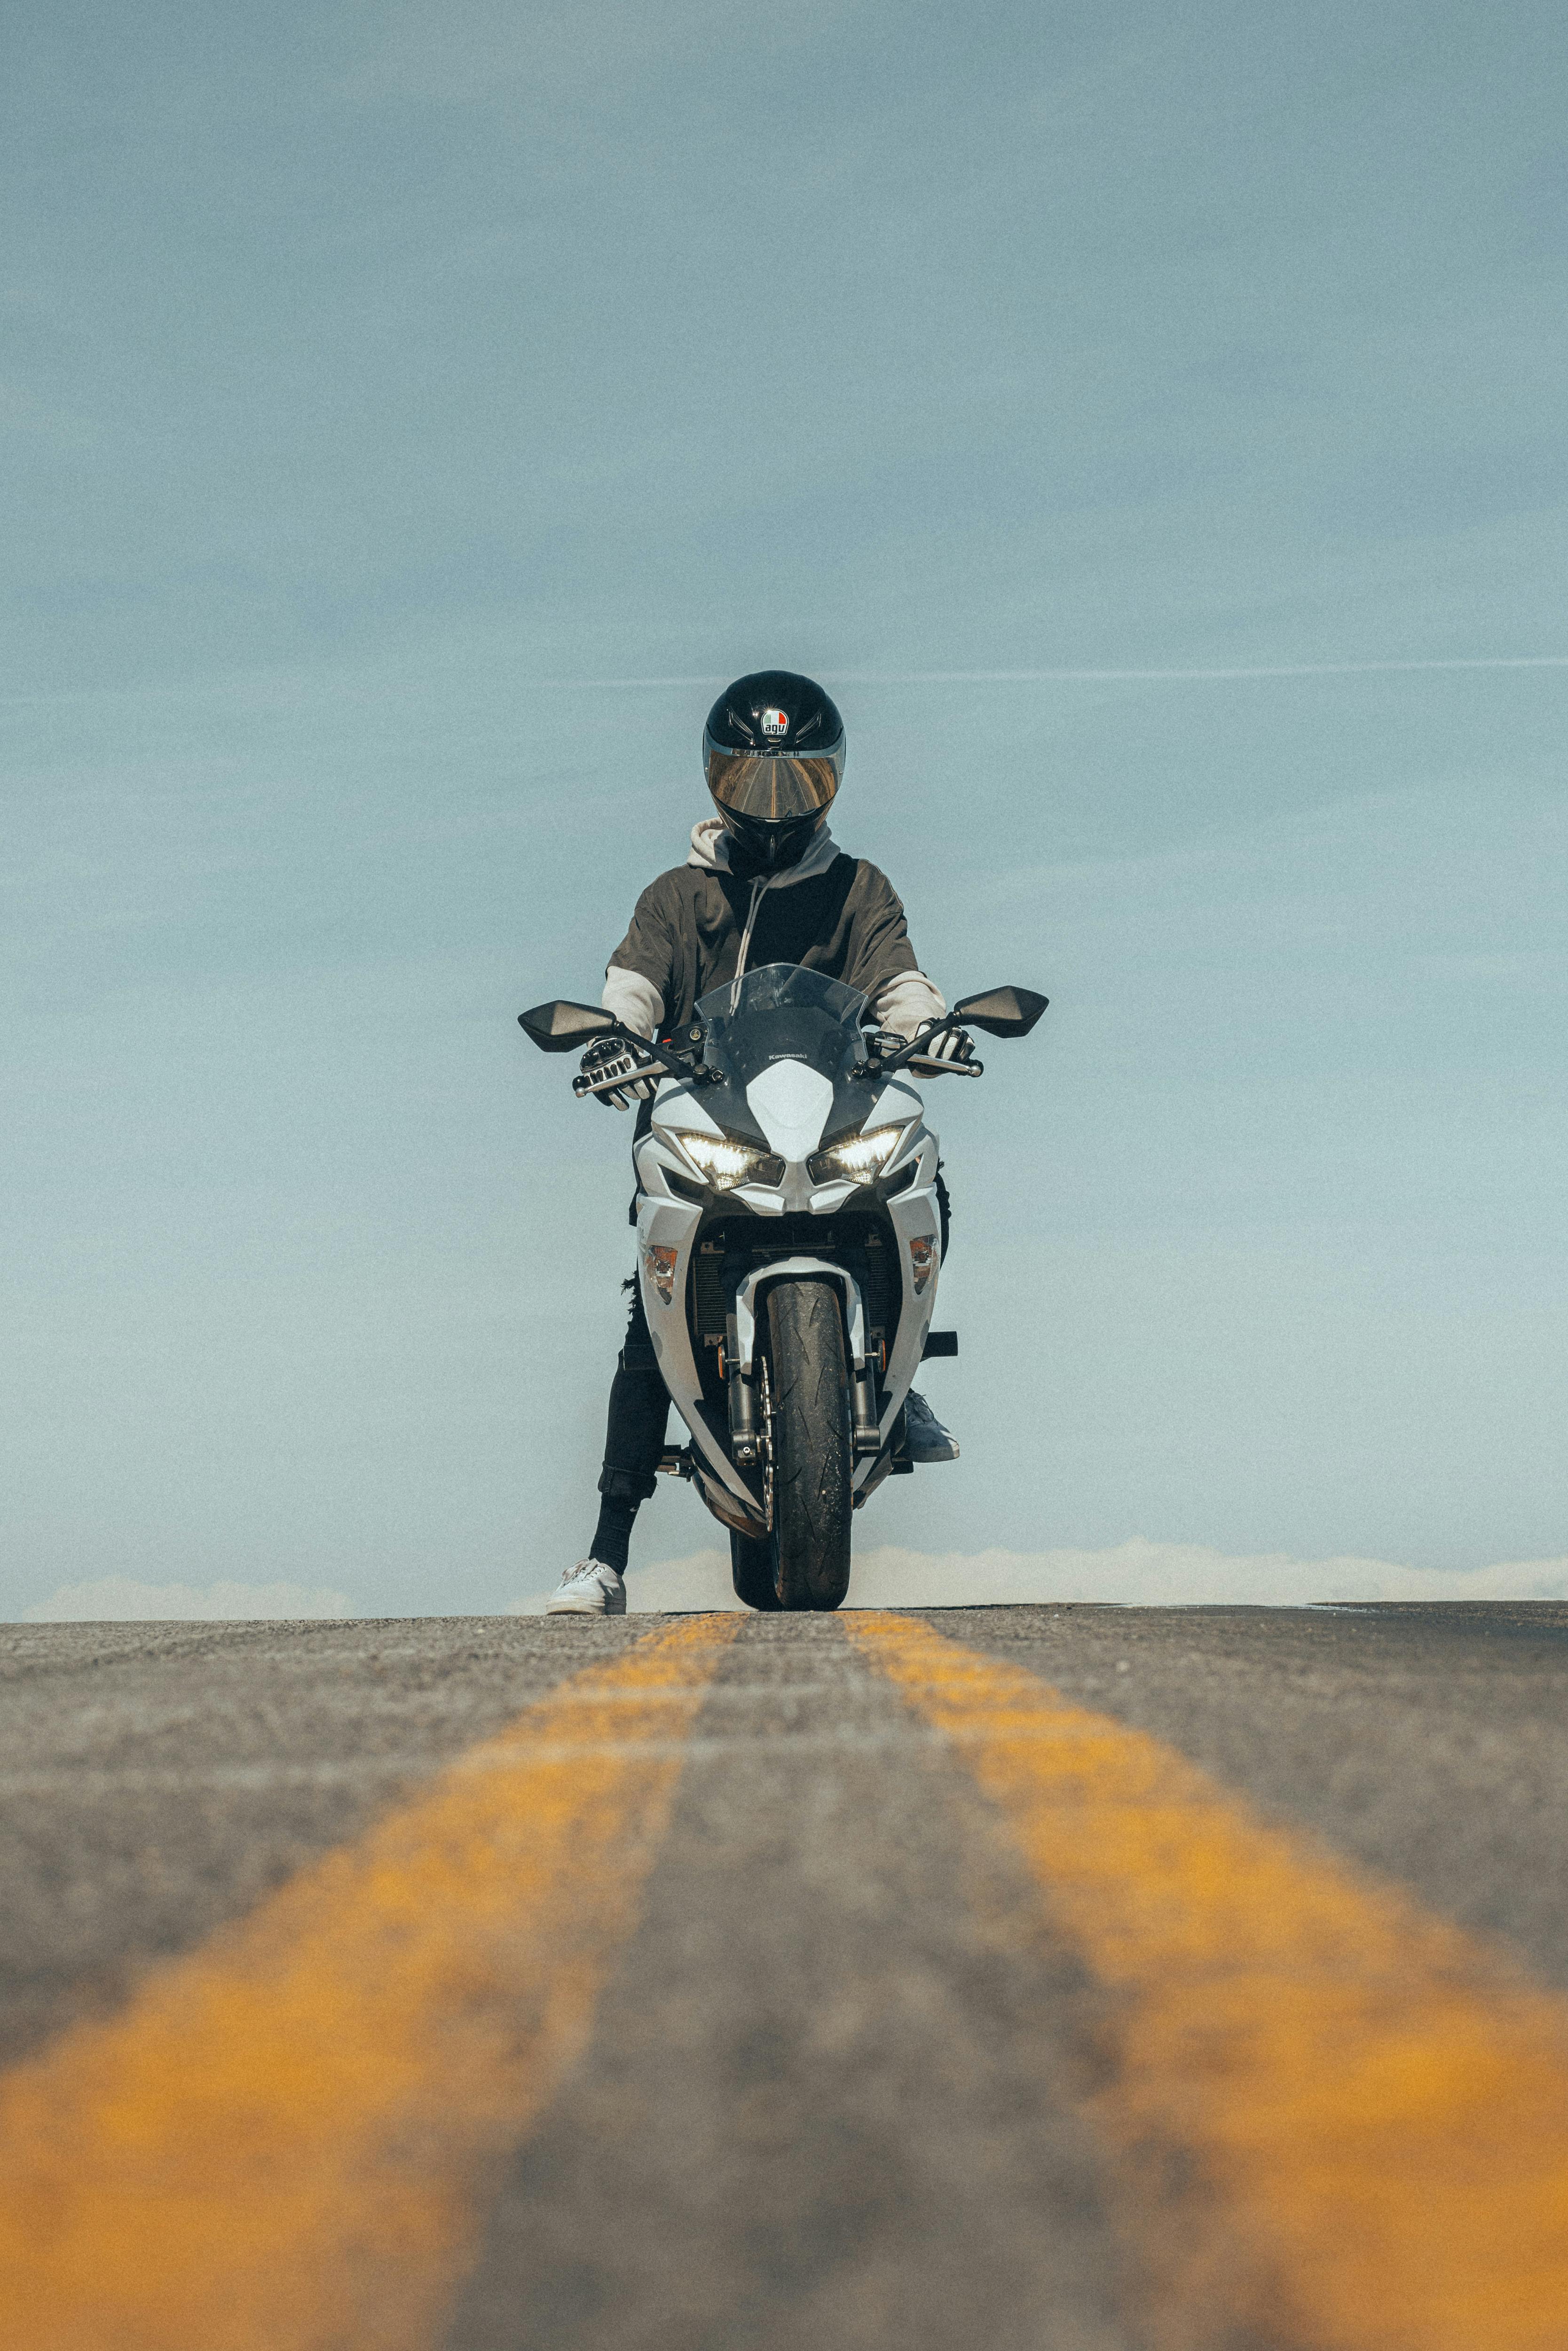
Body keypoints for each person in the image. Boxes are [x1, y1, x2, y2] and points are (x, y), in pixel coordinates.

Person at [546, 669, 969, 1617]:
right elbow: (634, 986)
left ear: (829, 780)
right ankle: (605, 1557)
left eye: (796, 777)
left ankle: (898, 1379)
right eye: (754, 777)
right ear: (718, 778)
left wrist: (928, 1026)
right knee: (648, 1322)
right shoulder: (678, 896)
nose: (775, 799)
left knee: (923, 1178)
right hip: (710, 1124)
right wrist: (614, 1036)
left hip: (834, 1120)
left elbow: (898, 979)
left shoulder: (858, 889)